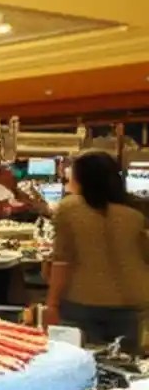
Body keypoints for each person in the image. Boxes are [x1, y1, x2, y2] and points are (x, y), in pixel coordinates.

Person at [45, 150, 149, 350]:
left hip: (83, 301)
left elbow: (62, 261)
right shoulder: (133, 214)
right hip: (131, 302)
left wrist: (52, 304)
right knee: (122, 364)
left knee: (83, 363)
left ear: (83, 178)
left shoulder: (69, 208)